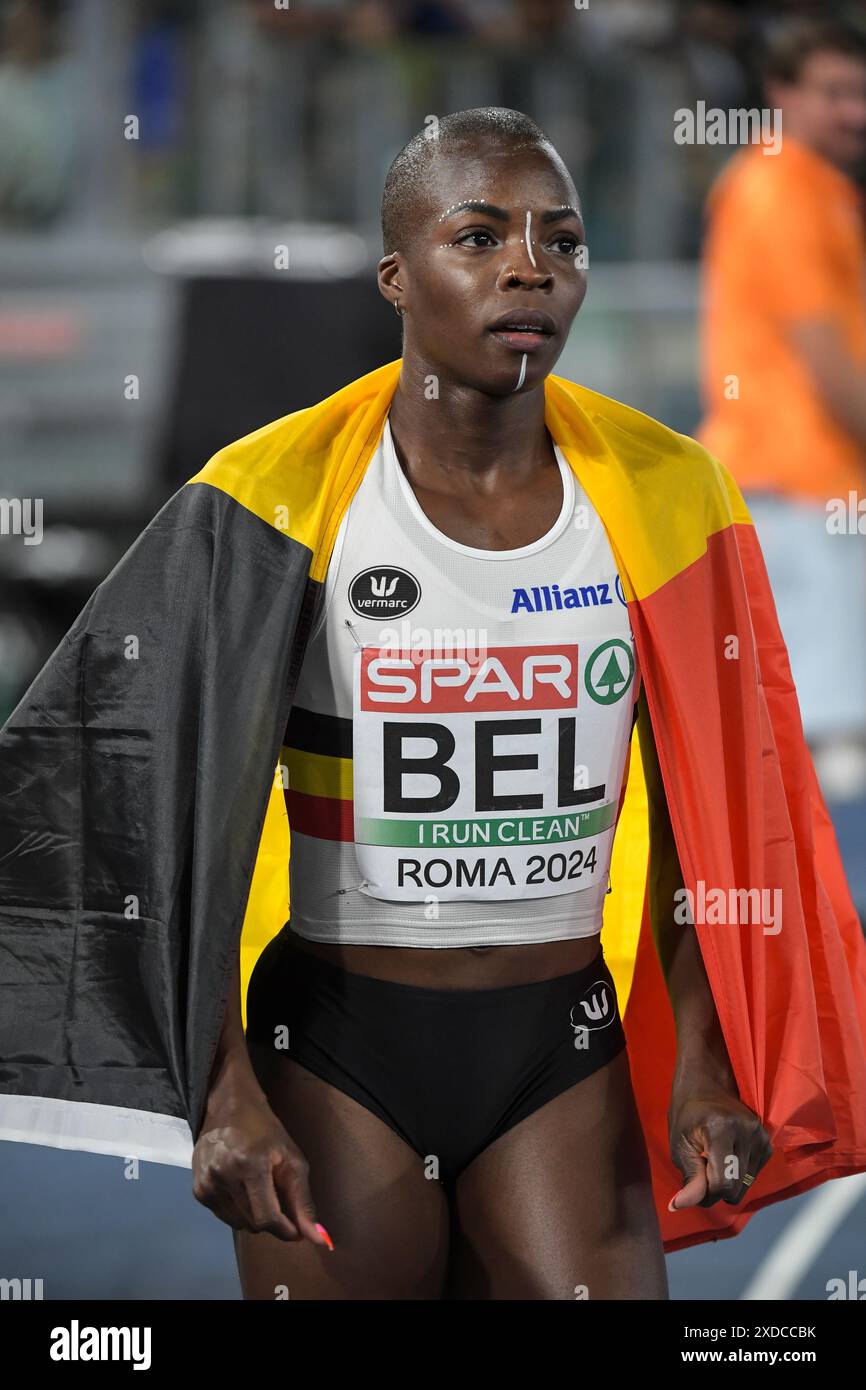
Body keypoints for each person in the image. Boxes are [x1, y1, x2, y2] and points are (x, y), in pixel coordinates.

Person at [2, 107, 866, 1303]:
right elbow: (119, 797)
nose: (528, 266)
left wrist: (705, 1061)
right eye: (479, 236)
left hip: (561, 1046)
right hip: (336, 1050)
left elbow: (711, 814)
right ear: (396, 279)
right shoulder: (271, 501)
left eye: (559, 241)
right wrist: (219, 1091)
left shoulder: (666, 499)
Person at [698, 15, 866, 800]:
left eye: (862, 93)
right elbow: (828, 360)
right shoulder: (785, 187)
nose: (854, 112)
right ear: (781, 94)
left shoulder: (807, 187)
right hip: (798, 489)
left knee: (811, 733)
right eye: (834, 93)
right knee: (827, 743)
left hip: (799, 487)